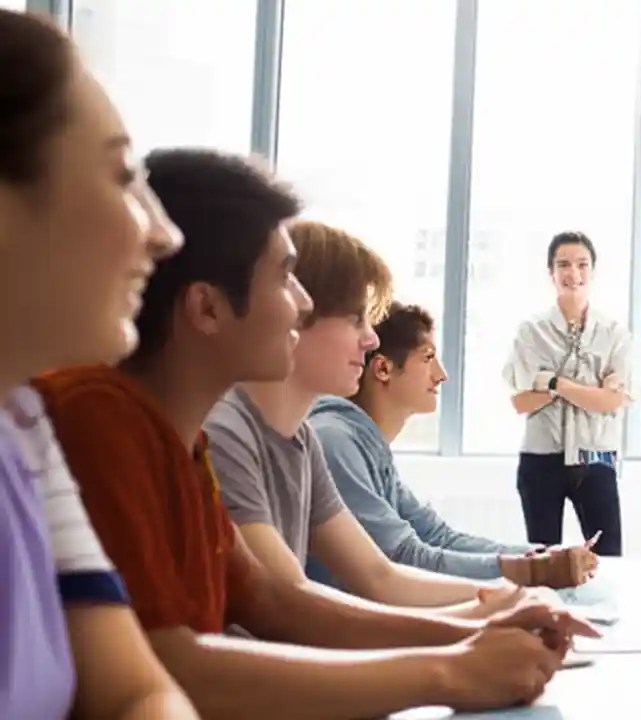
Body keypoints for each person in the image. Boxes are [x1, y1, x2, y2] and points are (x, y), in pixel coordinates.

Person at [34, 147, 596, 718]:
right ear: (206, 308)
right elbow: (170, 665)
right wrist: (450, 665)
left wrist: (472, 634)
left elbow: (271, 598)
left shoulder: (184, 441)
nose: (300, 305)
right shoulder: (103, 417)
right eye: (285, 279)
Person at [0, 9, 198, 718]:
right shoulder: (91, 414)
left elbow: (138, 690)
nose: (164, 233)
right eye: (121, 177)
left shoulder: (22, 423)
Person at [205, 219, 555, 615]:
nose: (370, 339)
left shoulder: (303, 440)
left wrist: (507, 600)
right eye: (357, 319)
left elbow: (380, 576)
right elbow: (291, 604)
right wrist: (486, 617)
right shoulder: (239, 433)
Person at [309, 301, 599, 588]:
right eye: (428, 358)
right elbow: (404, 558)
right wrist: (535, 571)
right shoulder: (336, 443)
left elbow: (438, 537)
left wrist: (541, 555)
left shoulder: (366, 445)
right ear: (383, 369)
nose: (441, 375)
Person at [504, 231, 635, 557]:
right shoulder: (531, 331)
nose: (572, 273)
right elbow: (521, 401)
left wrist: (555, 384)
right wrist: (591, 391)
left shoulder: (614, 332)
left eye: (581, 264)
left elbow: (612, 401)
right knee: (543, 561)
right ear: (551, 272)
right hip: (541, 458)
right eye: (563, 264)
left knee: (609, 557)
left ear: (593, 271)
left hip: (596, 457)